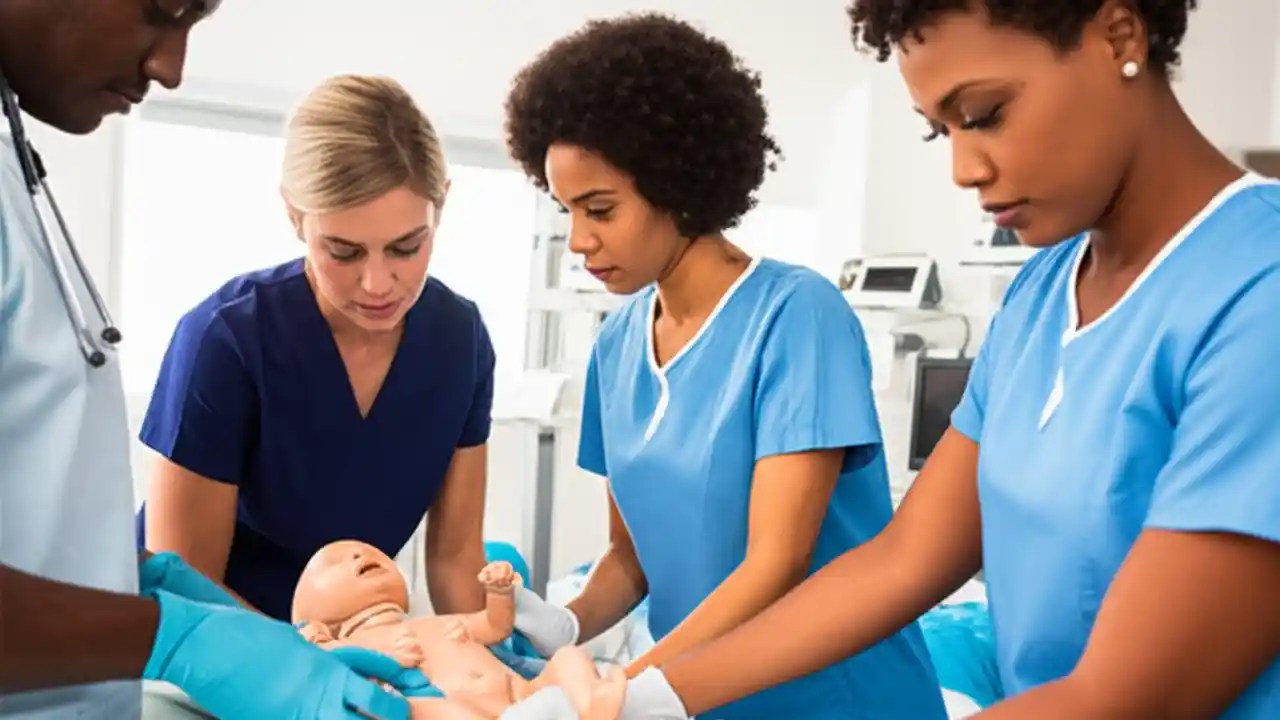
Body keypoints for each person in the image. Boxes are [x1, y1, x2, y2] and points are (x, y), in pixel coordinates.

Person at [508, 1, 1280, 718]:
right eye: (941, 131)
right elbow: (902, 562)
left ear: (1120, 36)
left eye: (986, 115)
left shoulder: (1259, 290)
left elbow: (1119, 697)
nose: (964, 169)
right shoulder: (1041, 295)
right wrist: (643, 700)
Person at [500, 13, 948, 720]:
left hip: (835, 699)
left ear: (676, 184)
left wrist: (620, 692)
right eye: (567, 212)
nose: (580, 241)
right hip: (693, 700)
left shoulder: (796, 315)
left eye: (601, 209)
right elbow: (632, 558)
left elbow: (775, 565)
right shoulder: (617, 347)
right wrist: (569, 624)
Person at [0, 2, 419, 719]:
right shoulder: (233, 335)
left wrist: (129, 581)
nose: (171, 66)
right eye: (160, 11)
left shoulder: (16, 175)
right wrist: (173, 634)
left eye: (406, 247)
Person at [136, 73, 495, 622]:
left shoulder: (459, 341)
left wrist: (485, 669)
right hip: (206, 640)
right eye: (344, 251)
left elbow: (451, 561)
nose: (378, 284)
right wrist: (309, 665)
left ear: (440, 208)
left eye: (406, 247)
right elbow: (185, 584)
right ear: (294, 216)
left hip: (354, 638)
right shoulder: (227, 340)